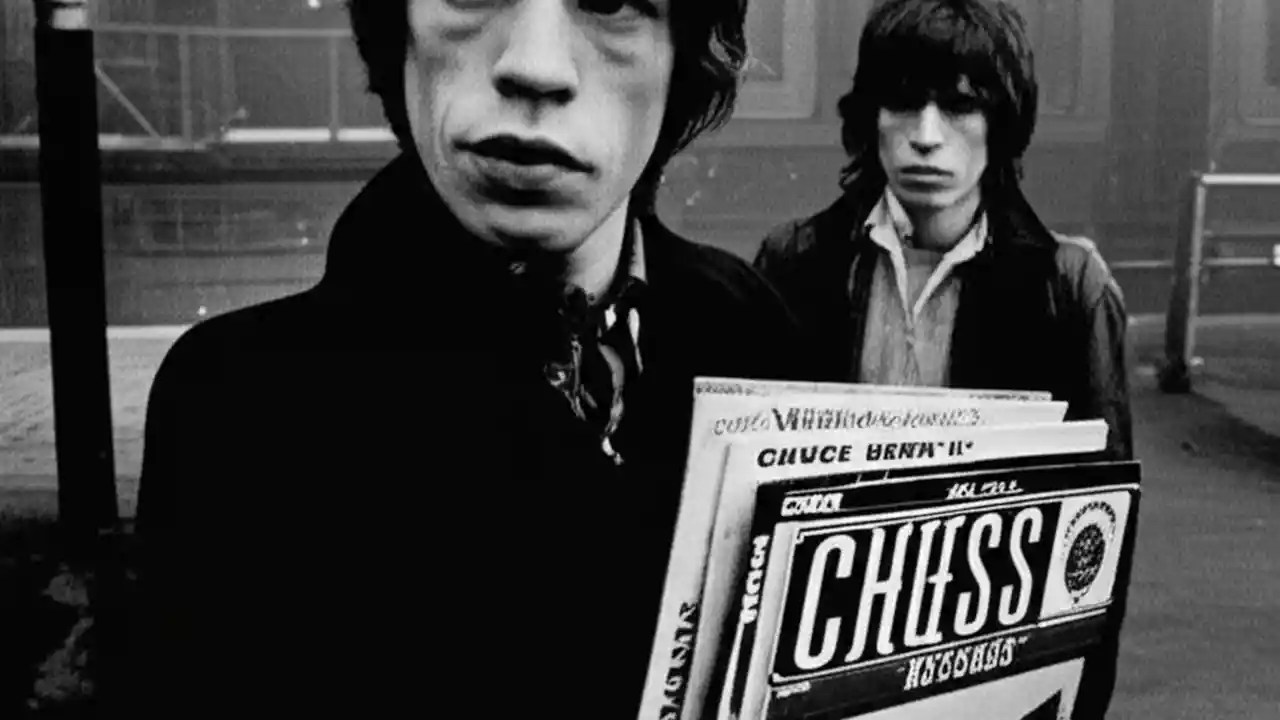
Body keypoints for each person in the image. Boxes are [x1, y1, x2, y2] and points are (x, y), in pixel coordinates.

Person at [117, 0, 800, 714]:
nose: (535, 66)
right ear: (399, 30)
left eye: (608, 1)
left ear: (682, 54)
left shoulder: (751, 341)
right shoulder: (238, 405)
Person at [752, 0, 1133, 716]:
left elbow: (1096, 550)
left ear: (1003, 123)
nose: (927, 137)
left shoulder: (1068, 289)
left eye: (960, 107)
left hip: (988, 668)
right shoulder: (797, 263)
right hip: (825, 656)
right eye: (902, 103)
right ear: (870, 116)